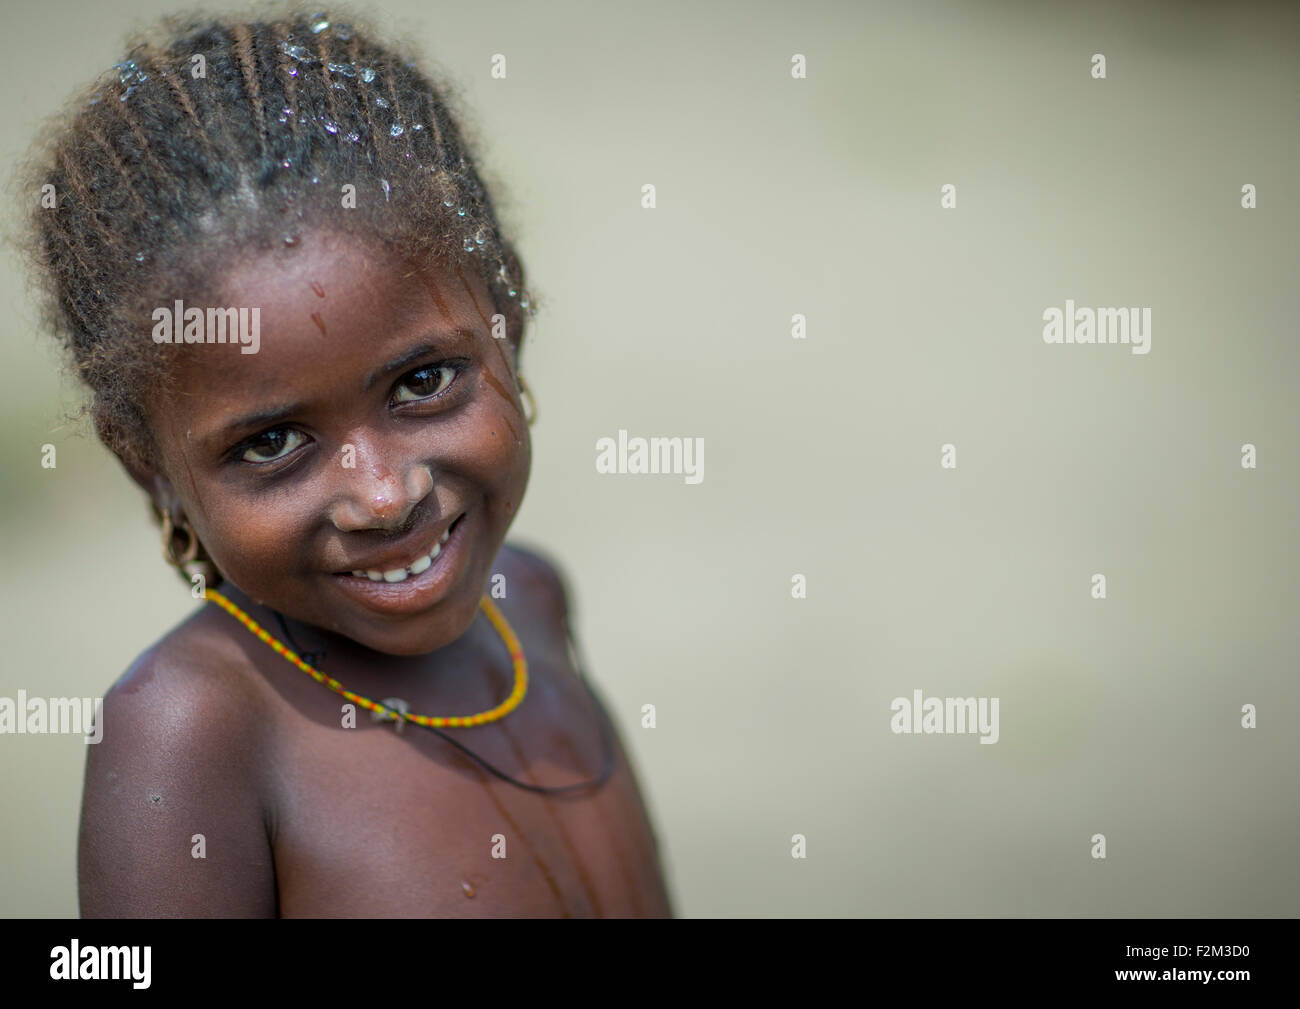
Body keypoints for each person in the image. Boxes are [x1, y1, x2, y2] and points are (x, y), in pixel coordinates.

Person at [23, 8, 673, 917]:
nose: (384, 494)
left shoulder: (531, 601)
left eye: (423, 381)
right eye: (273, 443)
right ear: (148, 464)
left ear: (508, 321)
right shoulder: (188, 732)